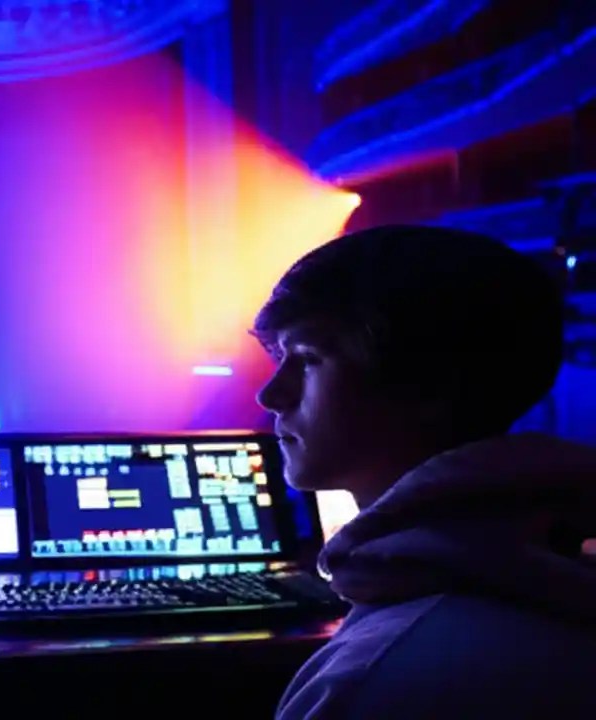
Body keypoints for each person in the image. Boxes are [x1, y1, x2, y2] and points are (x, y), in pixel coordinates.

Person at [252, 225, 596, 719]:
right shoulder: (556, 576)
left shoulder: (369, 679)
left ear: (429, 385)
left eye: (307, 359)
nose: (270, 395)